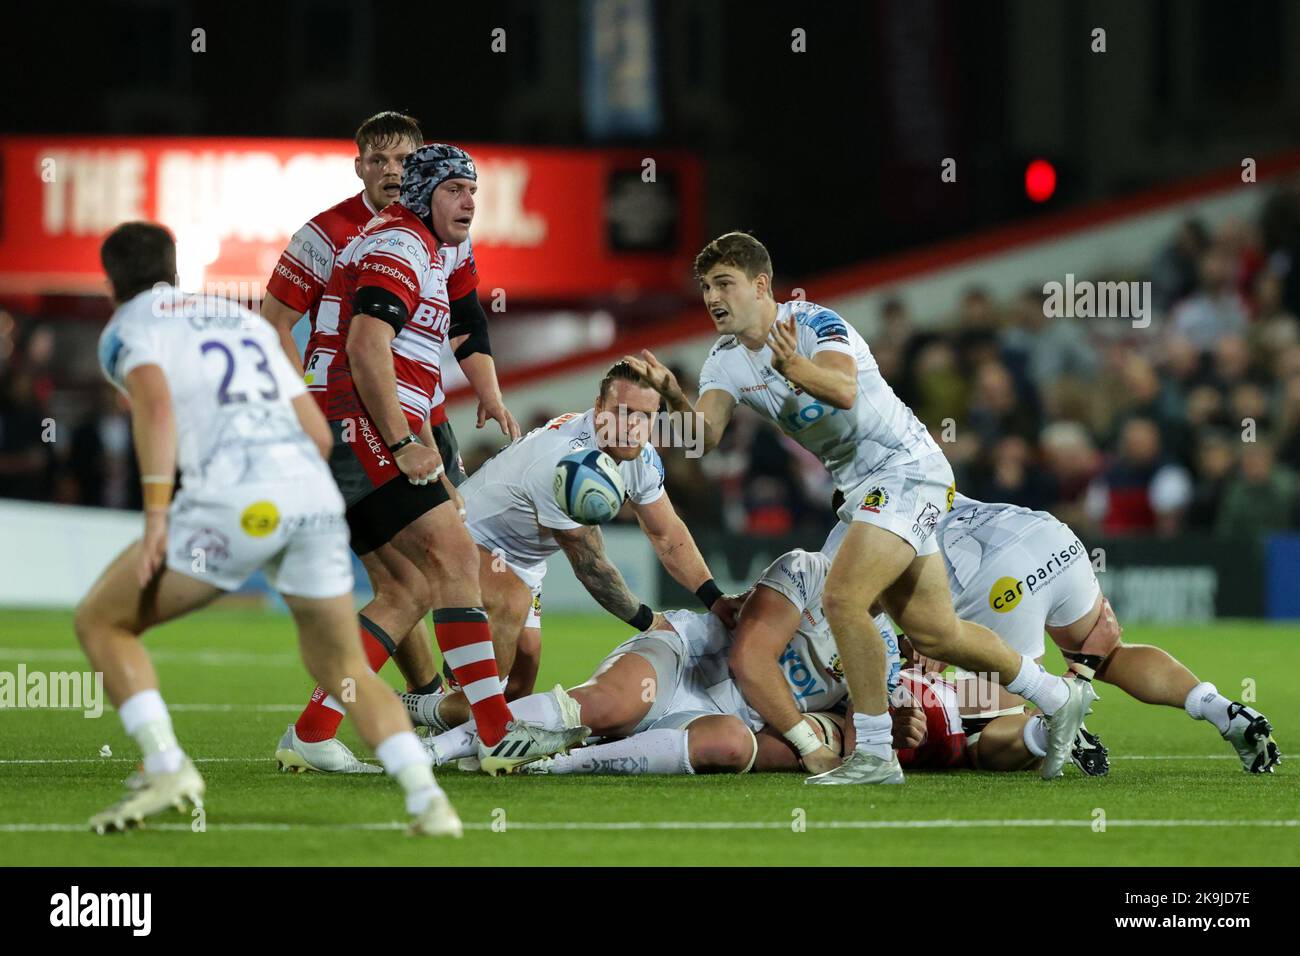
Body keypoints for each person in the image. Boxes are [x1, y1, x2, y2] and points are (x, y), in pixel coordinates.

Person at [625, 231, 1094, 784]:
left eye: (724, 283)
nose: (712, 297)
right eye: (705, 287)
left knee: (844, 598)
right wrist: (672, 397)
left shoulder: (817, 324)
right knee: (936, 633)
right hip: (864, 491)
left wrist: (794, 367)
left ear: (760, 285)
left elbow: (844, 390)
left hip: (906, 469)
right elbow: (703, 437)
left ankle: (874, 752)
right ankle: (1057, 696)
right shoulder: (724, 360)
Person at [76, 222, 460, 835]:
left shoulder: (129, 326)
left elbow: (152, 406)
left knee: (102, 620)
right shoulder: (243, 321)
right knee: (344, 668)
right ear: (176, 273)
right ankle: (427, 800)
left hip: (236, 501)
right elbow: (313, 431)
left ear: (110, 285)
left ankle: (167, 766)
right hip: (311, 495)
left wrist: (155, 519)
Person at [272, 145, 574, 774]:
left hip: (357, 427)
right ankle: (496, 732)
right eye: (455, 188)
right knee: (456, 557)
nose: (470, 200)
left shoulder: (421, 246)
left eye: (474, 189)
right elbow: (365, 345)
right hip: (362, 427)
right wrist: (405, 440)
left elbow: (443, 332)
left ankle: (312, 730)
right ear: (424, 194)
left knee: (408, 588)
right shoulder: (401, 247)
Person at [400, 361, 746, 775]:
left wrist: (714, 597)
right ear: (599, 407)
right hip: (468, 541)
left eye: (646, 417)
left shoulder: (642, 457)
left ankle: (430, 709)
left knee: (515, 697)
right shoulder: (564, 459)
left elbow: (668, 534)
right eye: (622, 413)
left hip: (524, 565)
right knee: (492, 689)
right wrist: (649, 622)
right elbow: (590, 566)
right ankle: (413, 708)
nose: (632, 427)